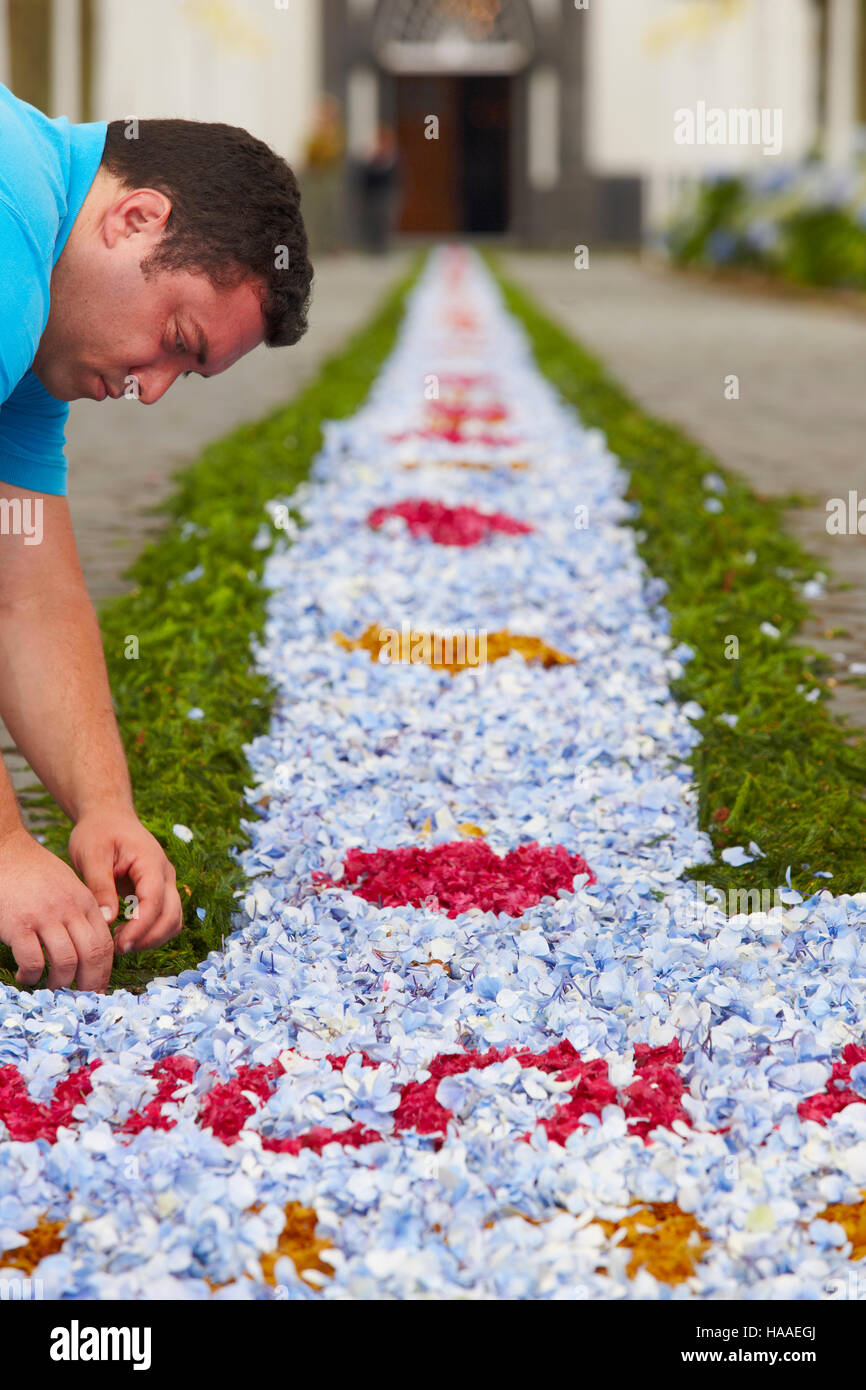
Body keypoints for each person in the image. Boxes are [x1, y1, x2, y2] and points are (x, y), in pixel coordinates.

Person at [0, 83, 313, 993]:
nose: (153, 390)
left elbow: (28, 589)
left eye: (190, 371)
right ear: (136, 217)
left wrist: (104, 808)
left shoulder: (41, 296)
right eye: (174, 337)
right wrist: (8, 849)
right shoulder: (13, 226)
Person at [357, 124, 401, 256]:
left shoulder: (392, 156)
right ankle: (373, 247)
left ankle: (384, 247)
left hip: (386, 194)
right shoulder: (372, 157)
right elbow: (365, 177)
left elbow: (396, 177)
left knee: (385, 221)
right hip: (373, 195)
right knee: (373, 221)